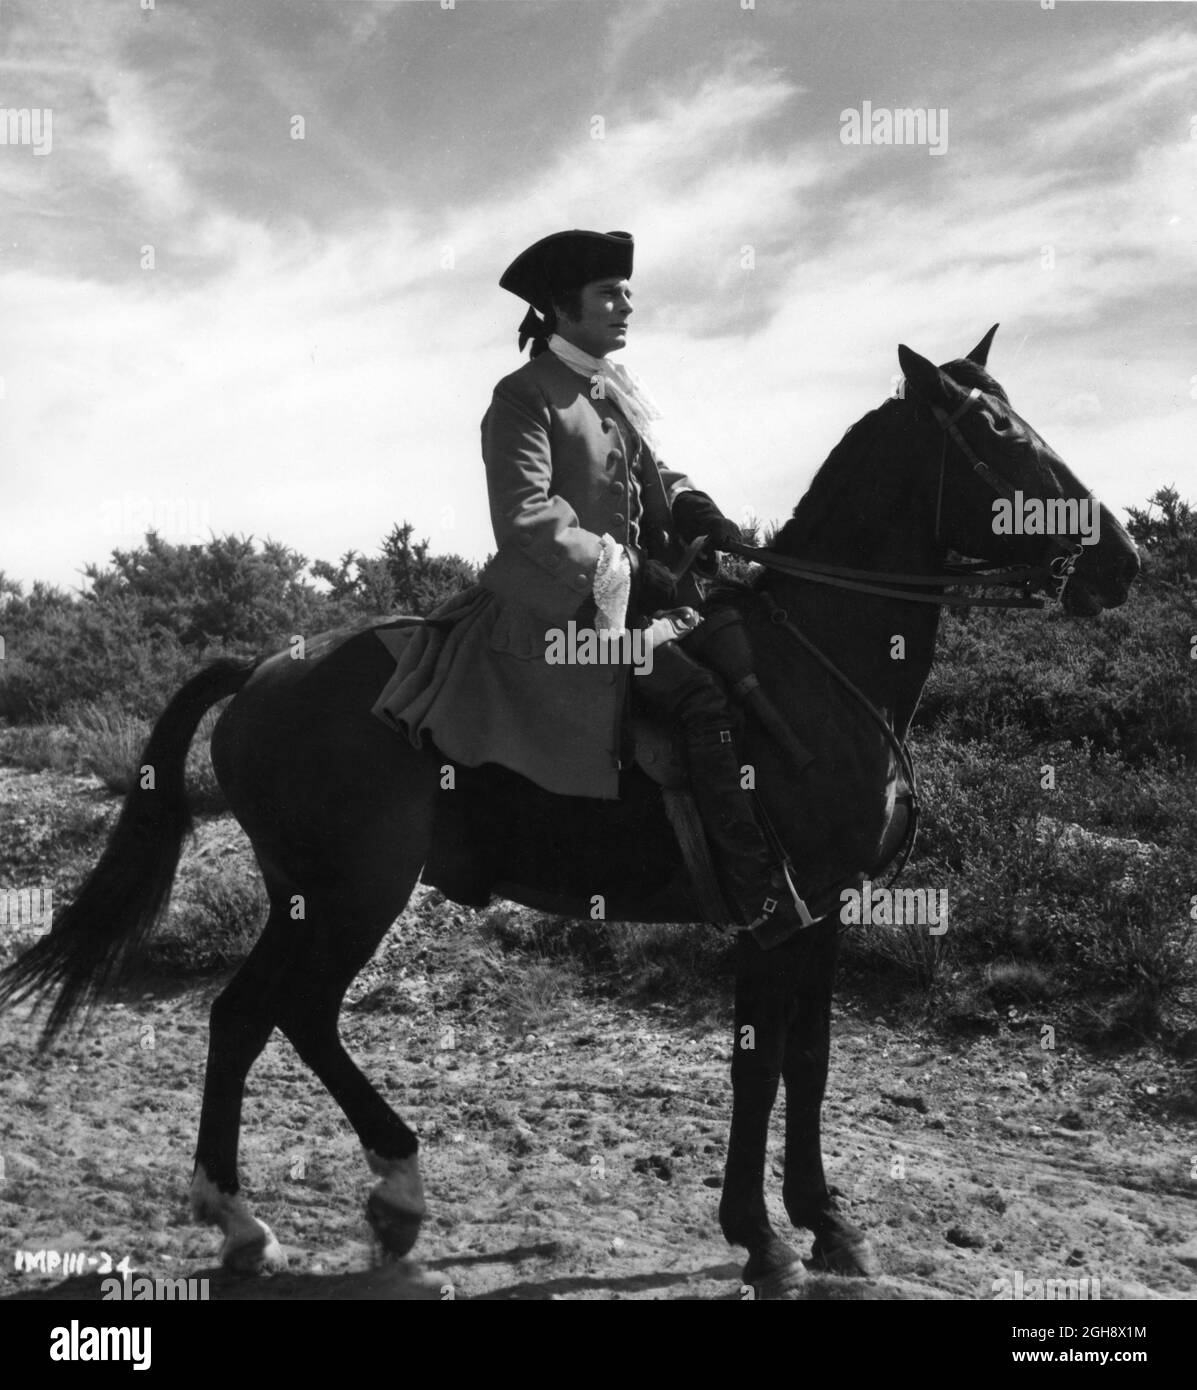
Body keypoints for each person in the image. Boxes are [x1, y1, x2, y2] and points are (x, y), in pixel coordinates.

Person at [476, 228, 803, 936]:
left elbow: (651, 476)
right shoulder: (523, 395)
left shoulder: (608, 388)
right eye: (609, 295)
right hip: (562, 612)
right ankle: (752, 893)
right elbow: (526, 516)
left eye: (627, 293)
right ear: (564, 308)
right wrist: (623, 568)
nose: (626, 306)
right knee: (701, 699)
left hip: (637, 603)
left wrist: (697, 513)